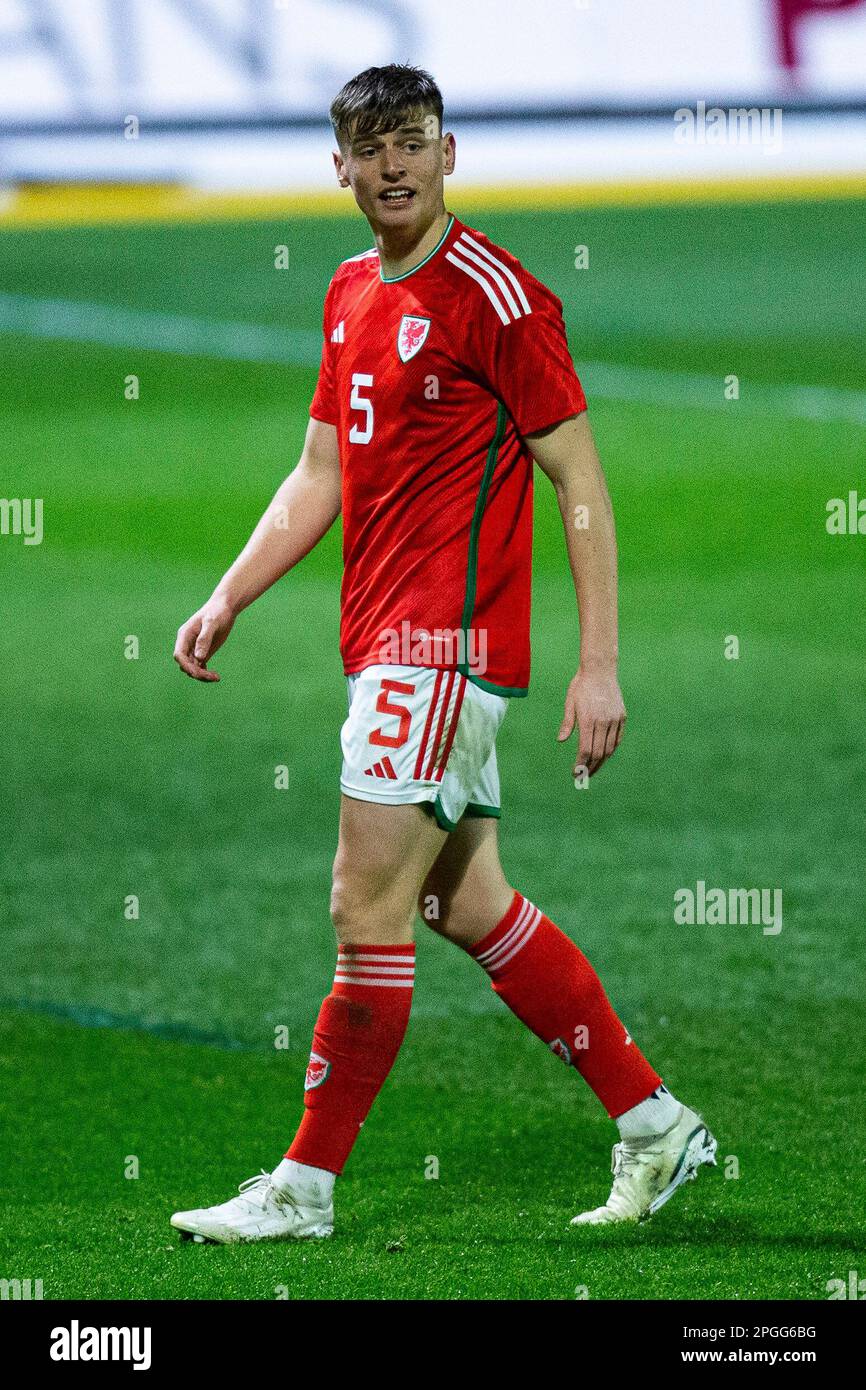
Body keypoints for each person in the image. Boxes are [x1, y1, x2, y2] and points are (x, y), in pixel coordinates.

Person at [170, 64, 716, 1244]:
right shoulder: (348, 291)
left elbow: (577, 477)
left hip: (440, 649)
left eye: (411, 141)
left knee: (360, 907)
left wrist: (599, 661)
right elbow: (320, 470)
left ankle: (304, 1188)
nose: (392, 165)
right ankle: (651, 1122)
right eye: (368, 148)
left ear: (449, 152)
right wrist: (229, 594)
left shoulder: (497, 298)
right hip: (379, 644)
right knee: (467, 904)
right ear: (339, 169)